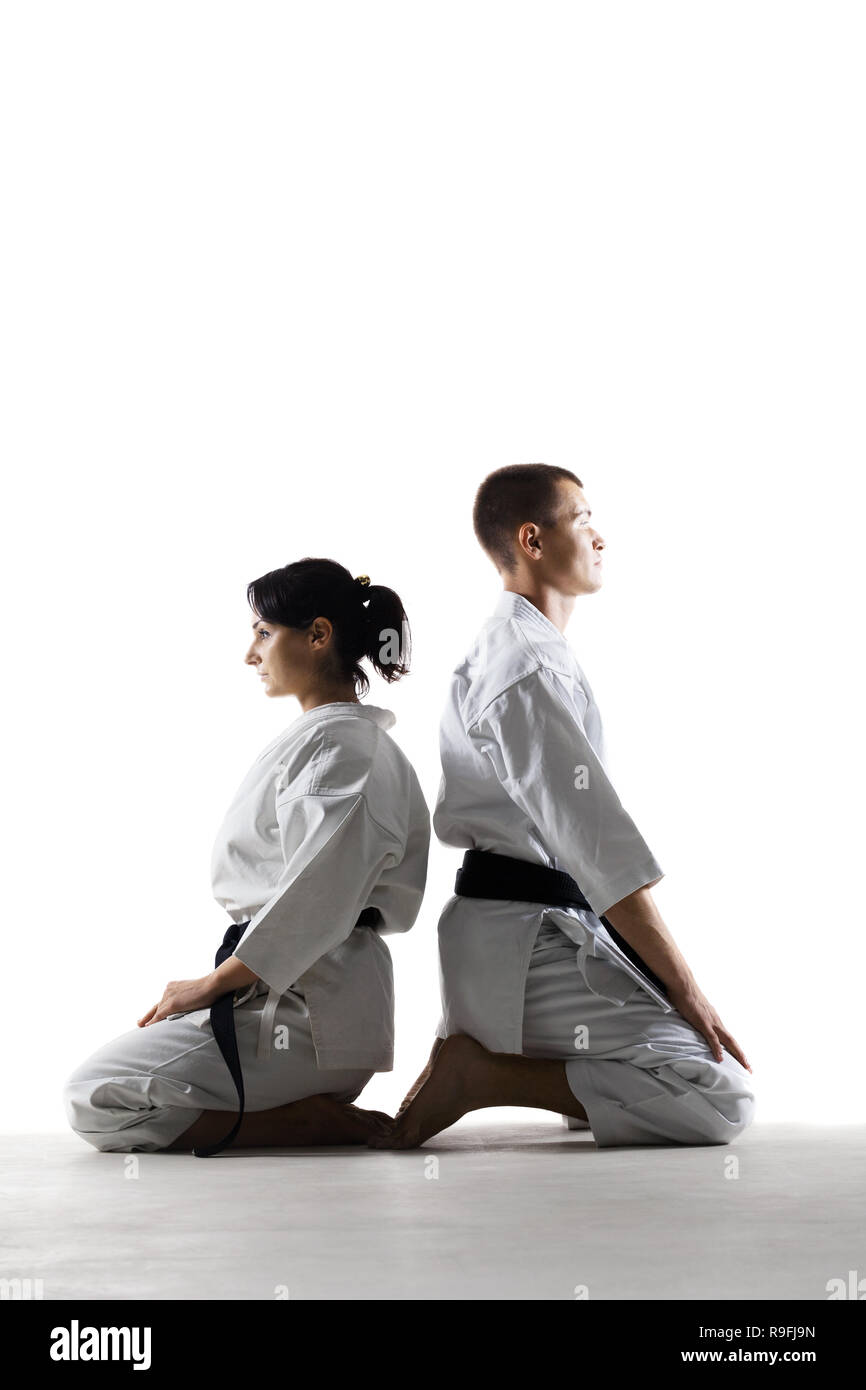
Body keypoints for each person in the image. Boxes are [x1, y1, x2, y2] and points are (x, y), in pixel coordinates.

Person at [374, 464, 756, 1150]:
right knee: (719, 1095)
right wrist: (688, 991)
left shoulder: (525, 650)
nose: (600, 536)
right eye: (582, 519)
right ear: (532, 539)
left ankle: (532, 1072)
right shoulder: (524, 665)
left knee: (660, 1072)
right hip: (524, 945)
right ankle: (483, 1076)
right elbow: (597, 851)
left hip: (528, 930)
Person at [64, 558, 430, 1154]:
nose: (250, 654)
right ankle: (297, 1112)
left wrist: (211, 984)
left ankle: (303, 1121)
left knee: (97, 1095)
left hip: (309, 1018)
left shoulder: (346, 748)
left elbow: (319, 896)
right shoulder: (331, 740)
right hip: (297, 996)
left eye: (263, 632)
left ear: (317, 635)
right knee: (104, 1092)